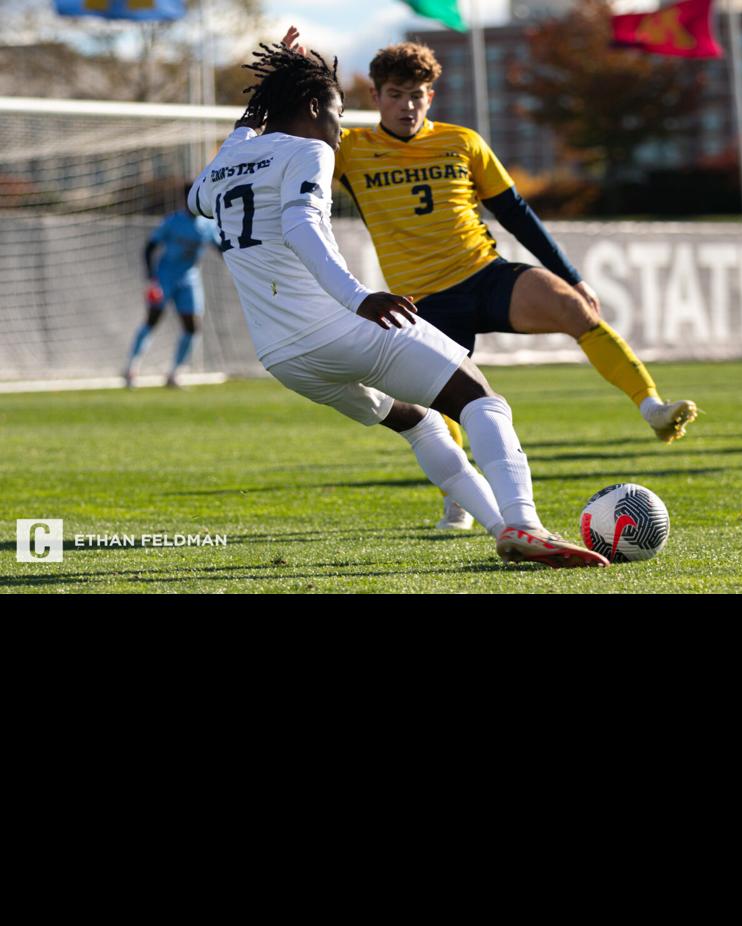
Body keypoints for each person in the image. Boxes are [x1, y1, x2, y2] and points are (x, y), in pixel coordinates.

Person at [191, 39, 605, 568]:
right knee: (479, 397)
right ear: (315, 108)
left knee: (421, 424)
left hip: (283, 358)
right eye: (338, 115)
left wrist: (252, 119)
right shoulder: (310, 150)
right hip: (340, 326)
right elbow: (301, 225)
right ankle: (525, 522)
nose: (340, 132)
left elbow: (198, 197)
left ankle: (501, 530)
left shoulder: (225, 163)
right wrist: (358, 298)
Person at [288, 27, 695, 531]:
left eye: (416, 96)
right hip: (422, 299)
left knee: (574, 308)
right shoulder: (348, 150)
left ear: (430, 96)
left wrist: (571, 276)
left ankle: (652, 406)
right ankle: (458, 501)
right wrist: (301, 67)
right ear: (375, 96)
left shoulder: (463, 142)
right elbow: (302, 133)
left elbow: (516, 213)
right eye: (395, 95)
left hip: (485, 274)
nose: (407, 106)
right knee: (442, 403)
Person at [126, 185, 223, 389]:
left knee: (192, 327)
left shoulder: (207, 225)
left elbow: (221, 249)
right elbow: (150, 248)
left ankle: (175, 373)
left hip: (190, 280)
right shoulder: (172, 221)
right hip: (164, 278)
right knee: (153, 320)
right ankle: (131, 369)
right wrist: (151, 279)